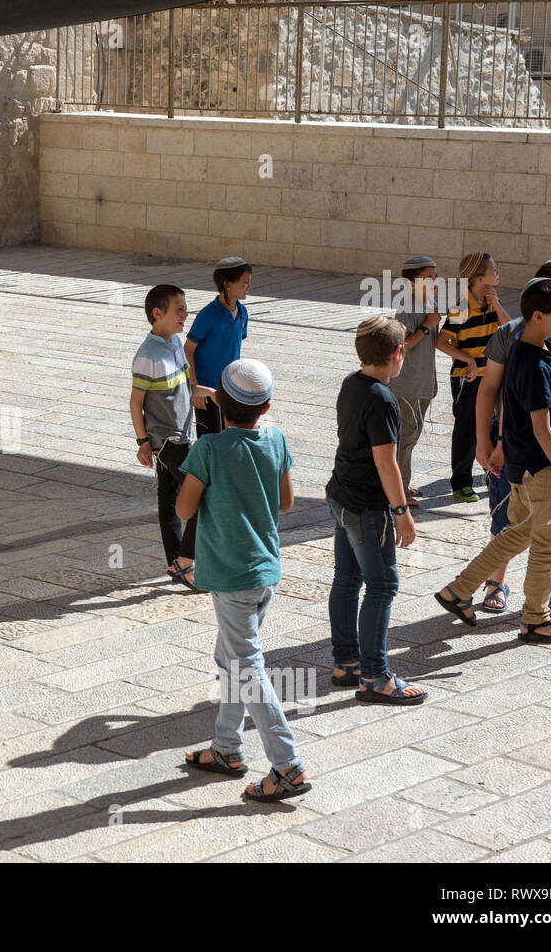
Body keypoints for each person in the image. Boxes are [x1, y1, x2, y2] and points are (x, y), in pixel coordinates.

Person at [176, 359, 309, 802]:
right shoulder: (276, 439)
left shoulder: (210, 448)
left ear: (218, 401)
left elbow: (184, 510)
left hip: (231, 575)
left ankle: (286, 764)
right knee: (231, 657)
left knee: (247, 667)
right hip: (264, 570)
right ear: (266, 405)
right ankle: (226, 748)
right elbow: (286, 501)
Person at [436, 279, 551, 643]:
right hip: (542, 467)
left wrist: (503, 446)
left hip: (522, 465)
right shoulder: (535, 364)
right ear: (537, 316)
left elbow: (512, 411)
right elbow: (542, 429)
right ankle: (536, 619)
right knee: (549, 540)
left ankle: (458, 590)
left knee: (521, 531)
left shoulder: (526, 353)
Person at [474, 259, 551, 616]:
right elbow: (491, 390)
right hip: (515, 447)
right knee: (509, 521)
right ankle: (493, 582)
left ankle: (539, 598)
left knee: (550, 529)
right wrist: (488, 440)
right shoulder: (513, 335)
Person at [326, 316, 426, 705]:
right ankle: (375, 677)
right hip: (367, 506)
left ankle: (345, 663)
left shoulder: (352, 383)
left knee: (346, 581)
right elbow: (387, 463)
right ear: (398, 353)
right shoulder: (383, 399)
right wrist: (401, 511)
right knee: (382, 586)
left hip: (340, 496)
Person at [131, 285, 214, 589]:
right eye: (179, 309)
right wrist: (142, 442)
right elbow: (136, 402)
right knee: (205, 496)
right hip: (167, 441)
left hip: (182, 436)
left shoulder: (175, 342)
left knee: (167, 501)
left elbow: (184, 388)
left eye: (185, 308)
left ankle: (176, 564)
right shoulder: (147, 355)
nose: (185, 314)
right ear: (157, 314)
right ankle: (186, 561)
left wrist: (211, 393)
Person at [435, 252, 510, 502]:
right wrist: (467, 360)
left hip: (490, 375)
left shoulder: (491, 301)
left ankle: (492, 475)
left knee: (491, 426)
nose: (497, 272)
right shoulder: (461, 306)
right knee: (466, 429)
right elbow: (442, 341)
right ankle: (461, 483)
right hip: (466, 378)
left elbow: (510, 331)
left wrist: (497, 305)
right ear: (480, 278)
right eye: (494, 269)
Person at [390, 255, 442, 507]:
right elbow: (402, 345)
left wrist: (432, 379)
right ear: (411, 283)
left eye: (435, 276)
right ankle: (397, 491)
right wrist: (427, 326)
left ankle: (402, 484)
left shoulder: (428, 303)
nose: (435, 281)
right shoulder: (407, 307)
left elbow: (431, 346)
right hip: (406, 384)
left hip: (422, 383)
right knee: (405, 436)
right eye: (428, 277)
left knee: (411, 436)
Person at [185, 258, 251, 439]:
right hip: (206, 391)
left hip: (231, 389)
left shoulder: (243, 312)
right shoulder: (208, 315)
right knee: (209, 440)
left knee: (229, 438)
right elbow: (187, 350)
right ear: (227, 284)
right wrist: (195, 387)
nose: (249, 286)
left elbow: (235, 348)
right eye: (244, 282)